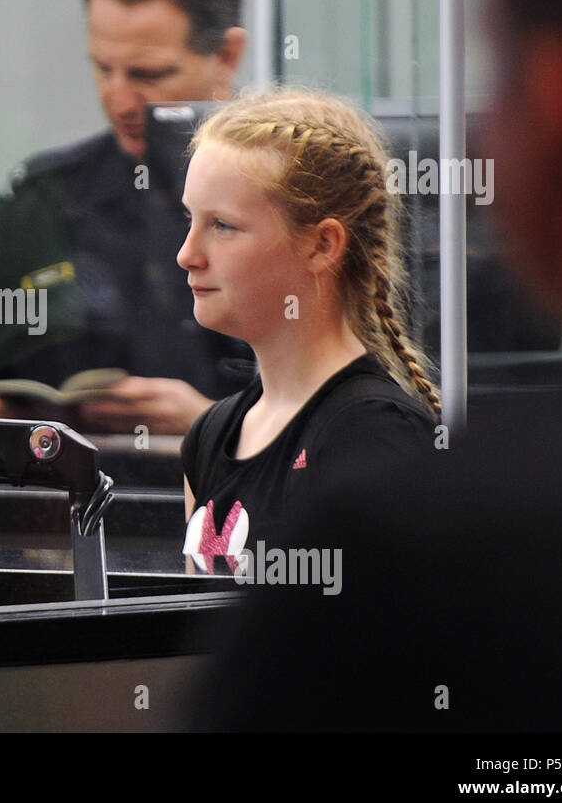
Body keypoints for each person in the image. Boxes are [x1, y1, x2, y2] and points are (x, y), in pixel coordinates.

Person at [187, 0, 562, 731]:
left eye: (491, 68)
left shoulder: (411, 507)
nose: (188, 255)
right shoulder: (224, 437)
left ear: (558, 102)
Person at [0, 0, 252, 435]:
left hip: (231, 509)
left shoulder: (291, 200)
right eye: (102, 68)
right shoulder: (41, 197)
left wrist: (209, 427)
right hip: (56, 508)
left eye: (147, 74)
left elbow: (355, 425)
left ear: (226, 56)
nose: (119, 100)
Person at [177, 90, 439, 574]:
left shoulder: (372, 436)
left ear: (322, 245)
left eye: (222, 226)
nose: (187, 254)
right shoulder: (210, 437)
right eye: (191, 219)